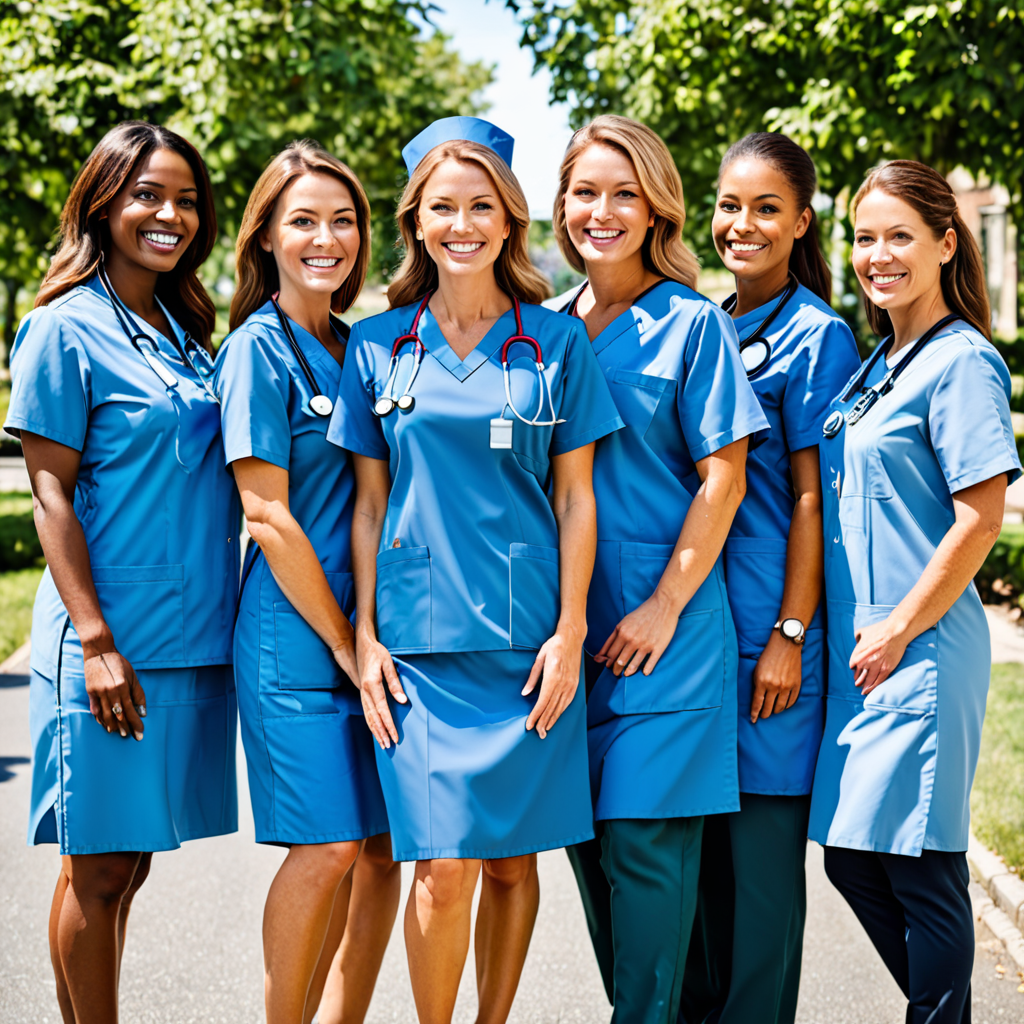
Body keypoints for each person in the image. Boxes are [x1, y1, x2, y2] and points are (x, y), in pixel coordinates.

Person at [327, 116, 623, 1024]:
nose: (463, 224)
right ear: (417, 222)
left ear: (509, 221)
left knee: (510, 858)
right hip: (417, 648)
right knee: (442, 867)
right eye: (443, 208)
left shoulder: (558, 343)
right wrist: (365, 635)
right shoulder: (377, 346)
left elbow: (578, 499)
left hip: (528, 642)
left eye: (481, 206)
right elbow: (367, 505)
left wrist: (572, 629)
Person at [3, 121, 238, 1024]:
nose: (168, 214)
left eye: (185, 198)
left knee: (127, 863)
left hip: (181, 638)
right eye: (147, 195)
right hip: (109, 643)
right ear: (101, 200)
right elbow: (48, 497)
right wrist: (97, 643)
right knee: (96, 867)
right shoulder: (61, 329)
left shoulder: (181, 326)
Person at [553, 114, 769, 1024]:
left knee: (644, 851)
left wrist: (664, 606)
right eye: (585, 192)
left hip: (663, 641)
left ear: (656, 211)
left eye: (623, 194)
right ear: (559, 206)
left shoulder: (692, 327)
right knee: (593, 858)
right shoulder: (542, 329)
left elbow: (725, 477)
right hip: (563, 640)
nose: (601, 211)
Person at [810, 160, 1019, 1024]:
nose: (879, 254)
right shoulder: (880, 362)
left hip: (920, 647)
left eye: (901, 236)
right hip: (869, 651)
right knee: (855, 858)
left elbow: (979, 517)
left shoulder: (962, 360)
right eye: (864, 237)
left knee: (920, 868)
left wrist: (899, 627)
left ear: (945, 243)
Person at [214, 141, 399, 1024]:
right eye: (303, 221)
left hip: (374, 636)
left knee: (381, 852)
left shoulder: (359, 346)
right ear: (266, 240)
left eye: (343, 220)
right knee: (327, 846)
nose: (327, 238)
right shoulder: (257, 350)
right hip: (296, 639)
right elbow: (268, 516)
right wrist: (343, 641)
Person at [680, 133, 861, 1024]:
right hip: (707, 635)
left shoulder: (817, 336)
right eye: (729, 204)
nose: (740, 224)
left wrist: (790, 635)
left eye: (764, 209)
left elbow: (810, 503)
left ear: (801, 221)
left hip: (771, 636)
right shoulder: (713, 320)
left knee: (759, 875)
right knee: (707, 866)